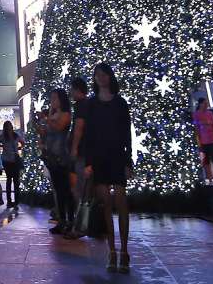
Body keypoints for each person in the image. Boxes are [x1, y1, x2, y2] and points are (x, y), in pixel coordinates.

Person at [78, 63, 133, 273]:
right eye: (97, 75)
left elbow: (127, 133)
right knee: (106, 205)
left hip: (117, 156)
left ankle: (125, 251)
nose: (101, 78)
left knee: (121, 202)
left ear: (110, 77)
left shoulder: (120, 103)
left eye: (104, 74)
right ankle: (111, 250)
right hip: (99, 159)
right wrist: (88, 163)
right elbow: (88, 136)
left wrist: (128, 161)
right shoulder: (91, 105)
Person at [41, 87, 75, 234]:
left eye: (55, 98)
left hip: (61, 155)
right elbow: (46, 131)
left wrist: (47, 119)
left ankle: (70, 221)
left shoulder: (66, 114)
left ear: (61, 99)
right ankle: (62, 221)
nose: (52, 101)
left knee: (65, 190)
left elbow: (59, 127)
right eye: (51, 98)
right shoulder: (53, 114)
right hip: (52, 155)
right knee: (58, 190)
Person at [66, 76, 91, 238]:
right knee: (85, 191)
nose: (70, 92)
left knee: (80, 191)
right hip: (88, 153)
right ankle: (84, 226)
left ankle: (80, 227)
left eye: (71, 89)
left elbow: (79, 128)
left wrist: (74, 149)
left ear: (77, 90)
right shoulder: (90, 104)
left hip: (82, 153)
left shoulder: (81, 106)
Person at [192, 98, 213, 184]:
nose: (206, 105)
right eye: (204, 103)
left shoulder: (209, 113)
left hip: (212, 140)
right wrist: (199, 141)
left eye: (207, 103)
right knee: (206, 161)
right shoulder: (196, 114)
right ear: (200, 104)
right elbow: (196, 129)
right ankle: (209, 179)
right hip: (204, 141)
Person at [0, 121, 21, 210]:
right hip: (12, 160)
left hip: (8, 160)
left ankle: (10, 201)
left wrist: (2, 146)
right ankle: (15, 202)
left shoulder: (4, 136)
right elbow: (23, 142)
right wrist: (18, 148)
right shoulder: (15, 135)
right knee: (15, 181)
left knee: (10, 180)